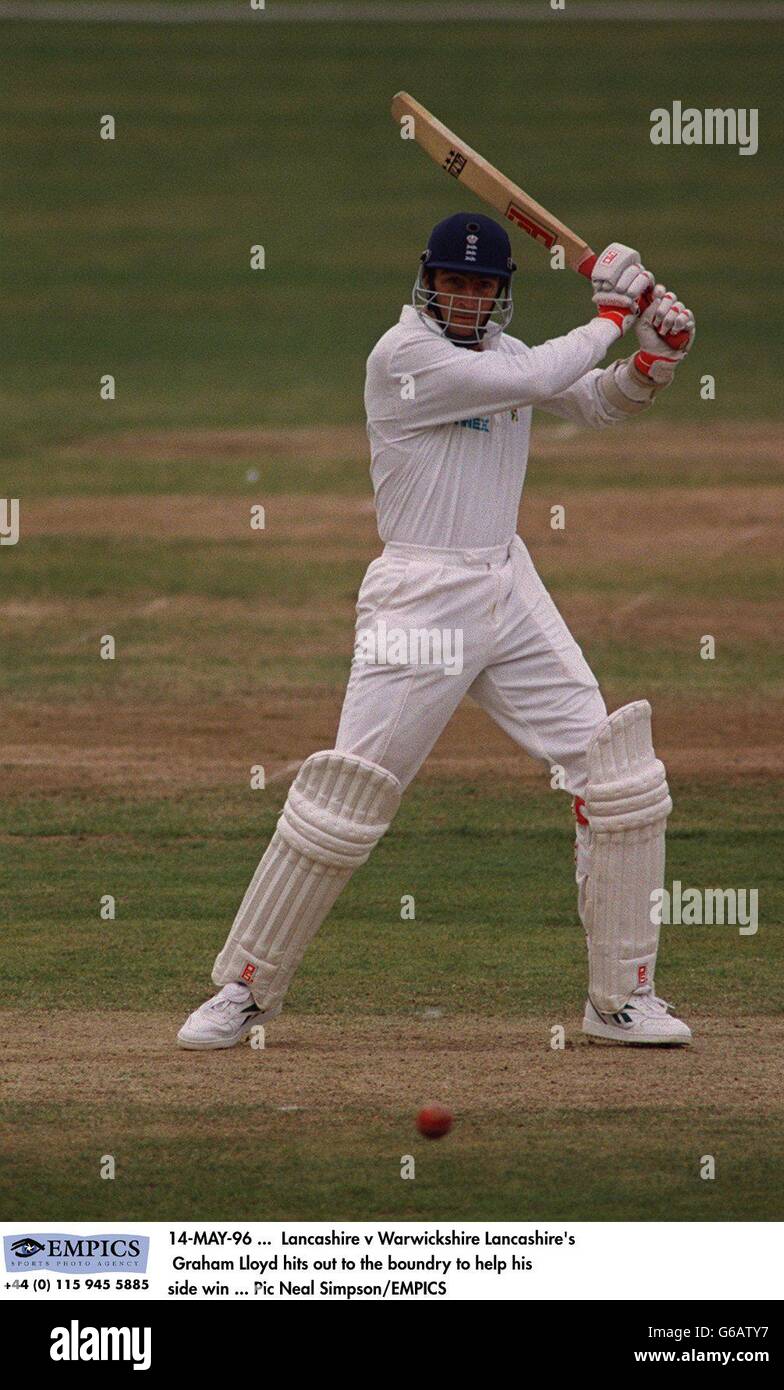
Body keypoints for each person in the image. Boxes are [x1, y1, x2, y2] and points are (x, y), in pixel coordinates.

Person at [178, 211, 695, 1051]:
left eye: (480, 285)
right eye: (452, 283)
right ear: (427, 282)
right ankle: (244, 988)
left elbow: (595, 402)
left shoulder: (502, 356)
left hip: (506, 580)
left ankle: (620, 999)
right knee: (345, 802)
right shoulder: (403, 358)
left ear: (497, 293)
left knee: (617, 776)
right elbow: (542, 378)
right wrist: (610, 312)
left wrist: (655, 357)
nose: (464, 297)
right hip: (420, 597)